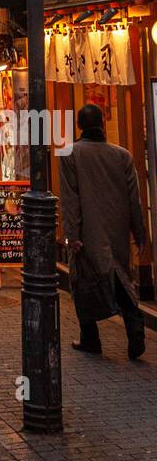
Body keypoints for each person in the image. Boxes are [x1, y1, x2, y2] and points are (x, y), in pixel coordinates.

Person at [60, 102, 148, 360]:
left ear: (79, 126)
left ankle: (91, 338)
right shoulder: (122, 155)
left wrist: (72, 235)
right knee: (121, 278)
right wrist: (139, 231)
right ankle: (135, 331)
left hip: (89, 230)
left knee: (84, 282)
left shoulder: (70, 153)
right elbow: (135, 198)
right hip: (117, 228)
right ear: (102, 124)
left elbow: (70, 198)